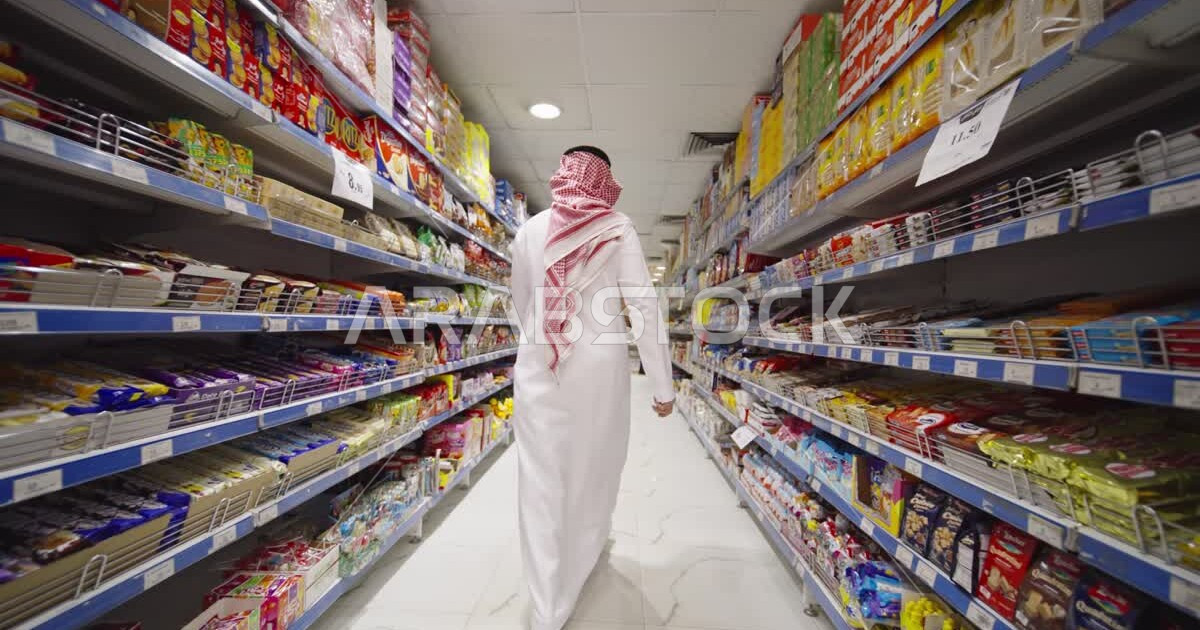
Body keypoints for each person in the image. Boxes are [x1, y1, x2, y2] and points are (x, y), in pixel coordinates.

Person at [508, 146, 675, 630]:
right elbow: (643, 309)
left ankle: (546, 603)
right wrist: (662, 386)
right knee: (594, 468)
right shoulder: (617, 228)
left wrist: (543, 335)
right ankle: (580, 563)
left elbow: (522, 303)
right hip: (600, 371)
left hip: (539, 367)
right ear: (605, 179)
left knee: (540, 478)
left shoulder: (530, 230)